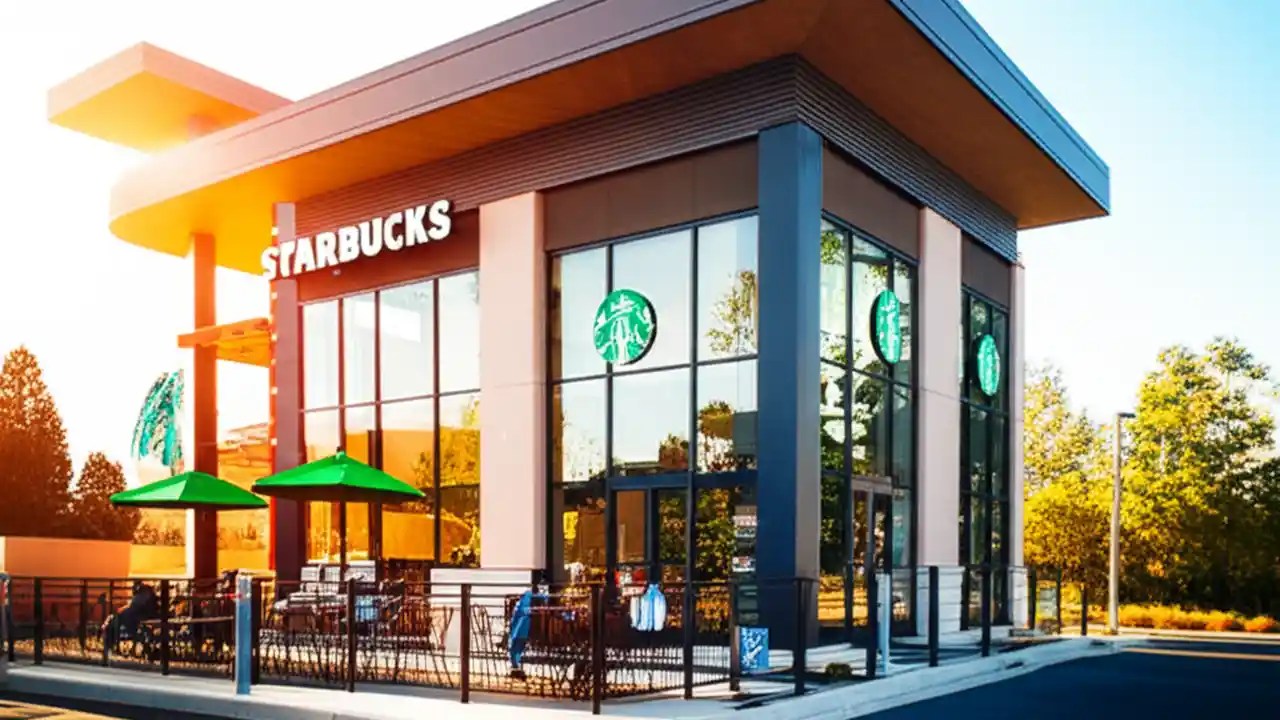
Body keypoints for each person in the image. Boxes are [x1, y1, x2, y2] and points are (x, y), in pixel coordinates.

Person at [103, 581, 160, 647]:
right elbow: (135, 605)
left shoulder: (144, 593)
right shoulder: (144, 593)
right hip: (136, 615)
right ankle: (111, 640)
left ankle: (110, 642)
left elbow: (137, 605)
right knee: (115, 619)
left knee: (115, 619)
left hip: (138, 615)